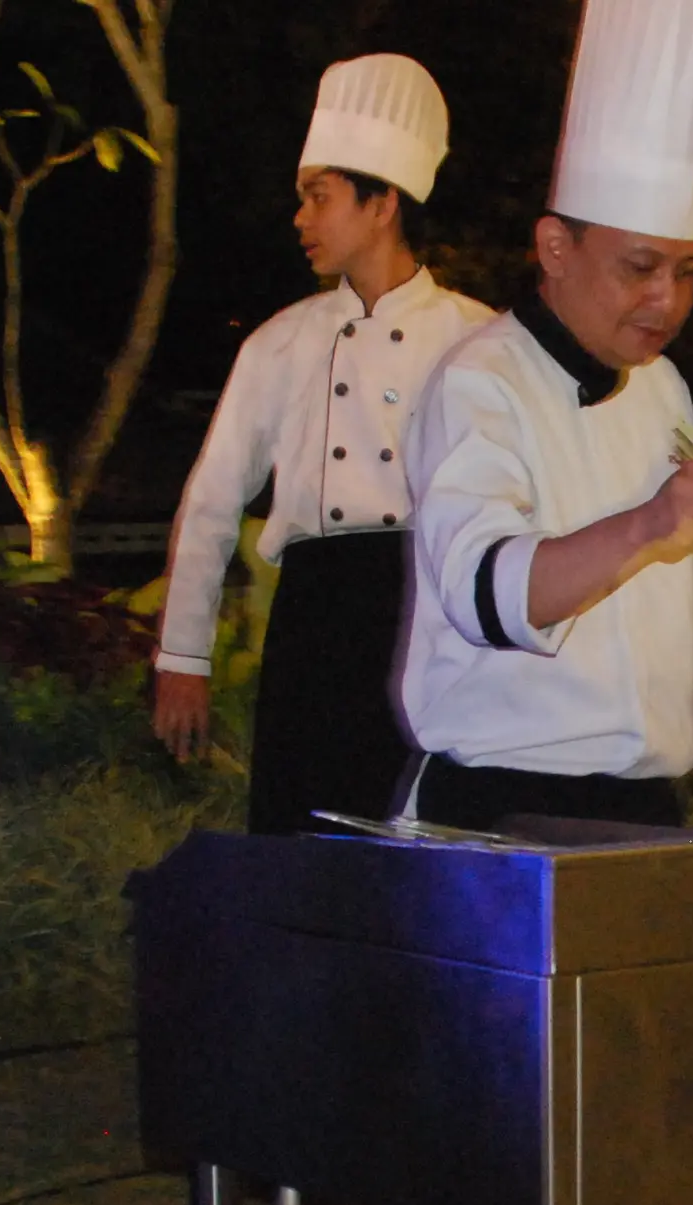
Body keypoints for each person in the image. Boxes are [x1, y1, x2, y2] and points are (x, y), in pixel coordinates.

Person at [397, 2, 693, 1205]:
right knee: (513, 1203)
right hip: (504, 828)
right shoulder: (474, 386)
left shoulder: (662, 383)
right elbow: (488, 590)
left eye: (681, 271)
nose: (661, 301)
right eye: (637, 268)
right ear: (553, 248)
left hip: (639, 819)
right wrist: (647, 519)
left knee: (645, 1194)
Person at [152, 53, 493, 835]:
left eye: (318, 198)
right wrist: (183, 660)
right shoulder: (279, 344)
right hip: (313, 615)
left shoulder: (479, 342)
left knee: (420, 847)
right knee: (300, 847)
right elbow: (209, 505)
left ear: (383, 204)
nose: (300, 220)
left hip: (427, 613)